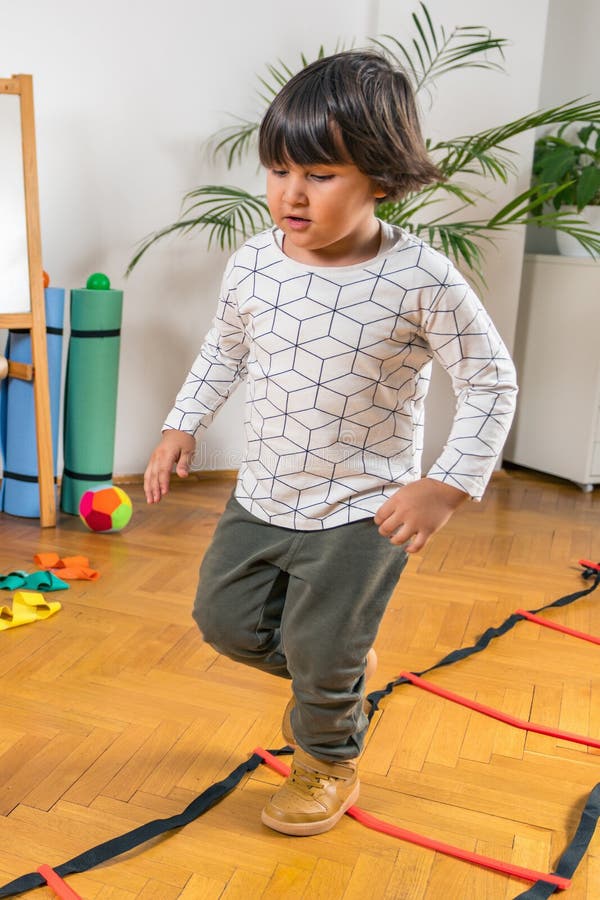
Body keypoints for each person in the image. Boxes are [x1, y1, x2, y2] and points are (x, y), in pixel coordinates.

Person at [144, 49, 518, 837]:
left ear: (381, 178)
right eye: (278, 170)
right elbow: (225, 348)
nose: (291, 192)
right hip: (264, 492)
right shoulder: (254, 262)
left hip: (364, 508)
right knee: (224, 621)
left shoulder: (421, 278)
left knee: (322, 649)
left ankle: (327, 761)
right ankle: (338, 677)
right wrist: (183, 423)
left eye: (319, 174)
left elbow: (491, 383)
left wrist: (444, 484)